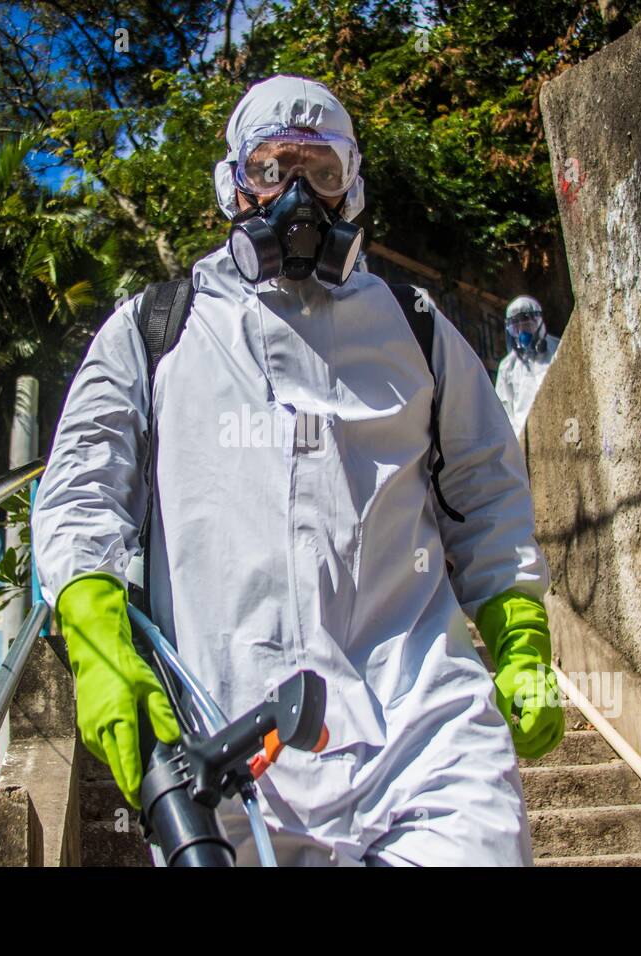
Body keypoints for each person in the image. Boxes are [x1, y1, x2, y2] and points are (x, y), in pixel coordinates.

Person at [32, 75, 563, 867]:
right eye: (272, 169)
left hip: (423, 729)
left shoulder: (415, 328)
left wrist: (518, 633)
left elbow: (487, 486)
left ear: (351, 187)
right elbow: (83, 487)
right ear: (231, 185)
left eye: (321, 173)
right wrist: (97, 633)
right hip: (230, 746)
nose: (297, 197)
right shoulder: (152, 331)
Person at [494, 295, 561, 439]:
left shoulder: (558, 349)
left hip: (561, 428)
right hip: (528, 439)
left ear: (539, 322)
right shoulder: (507, 367)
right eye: (515, 327)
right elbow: (504, 413)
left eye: (526, 324)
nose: (521, 330)